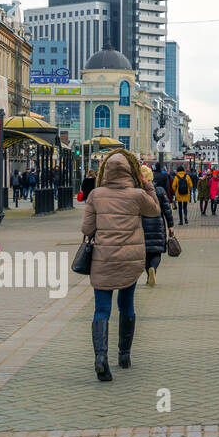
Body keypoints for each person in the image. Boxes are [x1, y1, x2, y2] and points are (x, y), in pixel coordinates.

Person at [81, 149, 159, 381]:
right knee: (127, 306)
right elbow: (154, 211)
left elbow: (86, 230)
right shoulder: (136, 194)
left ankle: (100, 358)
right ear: (129, 172)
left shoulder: (95, 194)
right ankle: (124, 355)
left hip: (102, 260)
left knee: (101, 310)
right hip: (130, 259)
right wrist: (147, 185)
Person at [142, 164, 174, 287]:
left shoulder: (138, 192)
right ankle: (153, 269)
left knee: (145, 253)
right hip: (158, 224)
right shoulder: (160, 191)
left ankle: (148, 275)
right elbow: (167, 209)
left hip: (143, 225)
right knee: (157, 252)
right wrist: (170, 225)